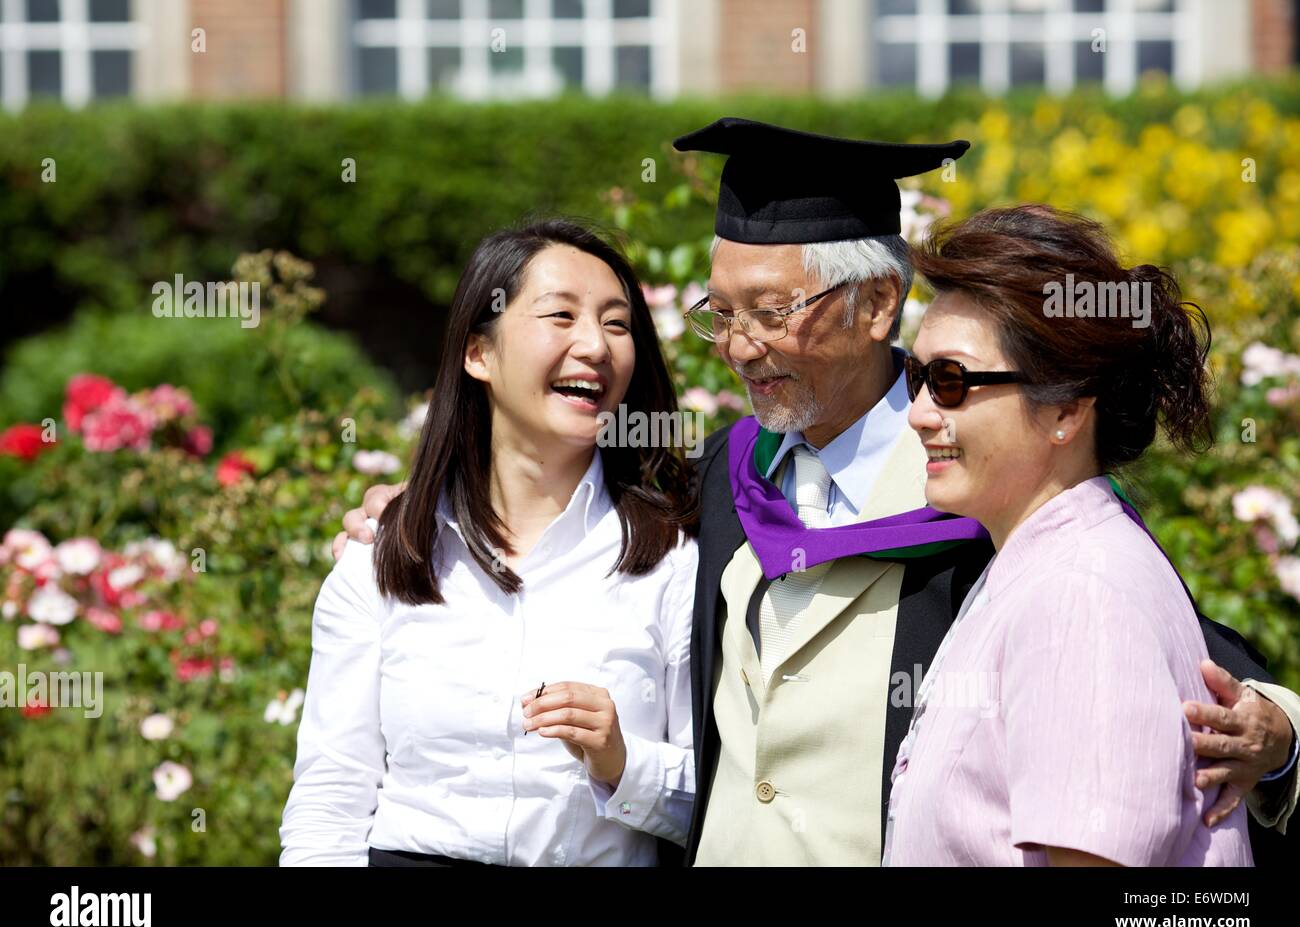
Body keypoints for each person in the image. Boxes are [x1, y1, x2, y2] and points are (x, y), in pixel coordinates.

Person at [337, 119, 1300, 866]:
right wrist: (428, 518)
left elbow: (1158, 643)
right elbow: (568, 511)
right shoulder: (726, 478)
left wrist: (1280, 727)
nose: (741, 347)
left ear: (877, 304)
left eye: (772, 312)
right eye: (723, 313)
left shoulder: (977, 498)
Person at [280, 219, 698, 867]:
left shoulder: (672, 559)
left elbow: (722, 804)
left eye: (618, 324)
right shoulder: (388, 554)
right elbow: (332, 792)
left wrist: (623, 761)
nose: (594, 344)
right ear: (479, 352)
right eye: (560, 315)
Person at [885, 204, 1254, 865]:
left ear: (1065, 410)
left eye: (950, 381)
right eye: (918, 377)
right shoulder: (1035, 567)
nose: (917, 414)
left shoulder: (1080, 596)